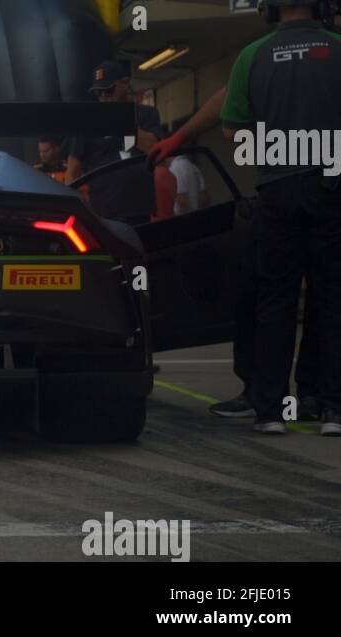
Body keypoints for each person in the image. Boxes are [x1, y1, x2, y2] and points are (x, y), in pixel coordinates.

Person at [149, 86, 323, 423]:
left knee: (267, 296)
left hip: (279, 194)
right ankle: (318, 398)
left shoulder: (261, 58)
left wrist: (178, 137)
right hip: (328, 192)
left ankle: (264, 400)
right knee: (324, 298)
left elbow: (227, 115)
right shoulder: (329, 57)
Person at [221, 0, 341, 435]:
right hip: (332, 186)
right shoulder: (338, 48)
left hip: (276, 188)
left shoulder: (252, 55)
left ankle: (270, 410)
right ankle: (332, 408)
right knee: (331, 297)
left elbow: (232, 128)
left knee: (276, 299)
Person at [65, 60, 166, 223]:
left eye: (108, 90)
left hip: (141, 208)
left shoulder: (146, 114)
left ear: (125, 84)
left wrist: (122, 123)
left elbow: (155, 148)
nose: (104, 97)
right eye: (98, 93)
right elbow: (72, 172)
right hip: (105, 213)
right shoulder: (87, 124)